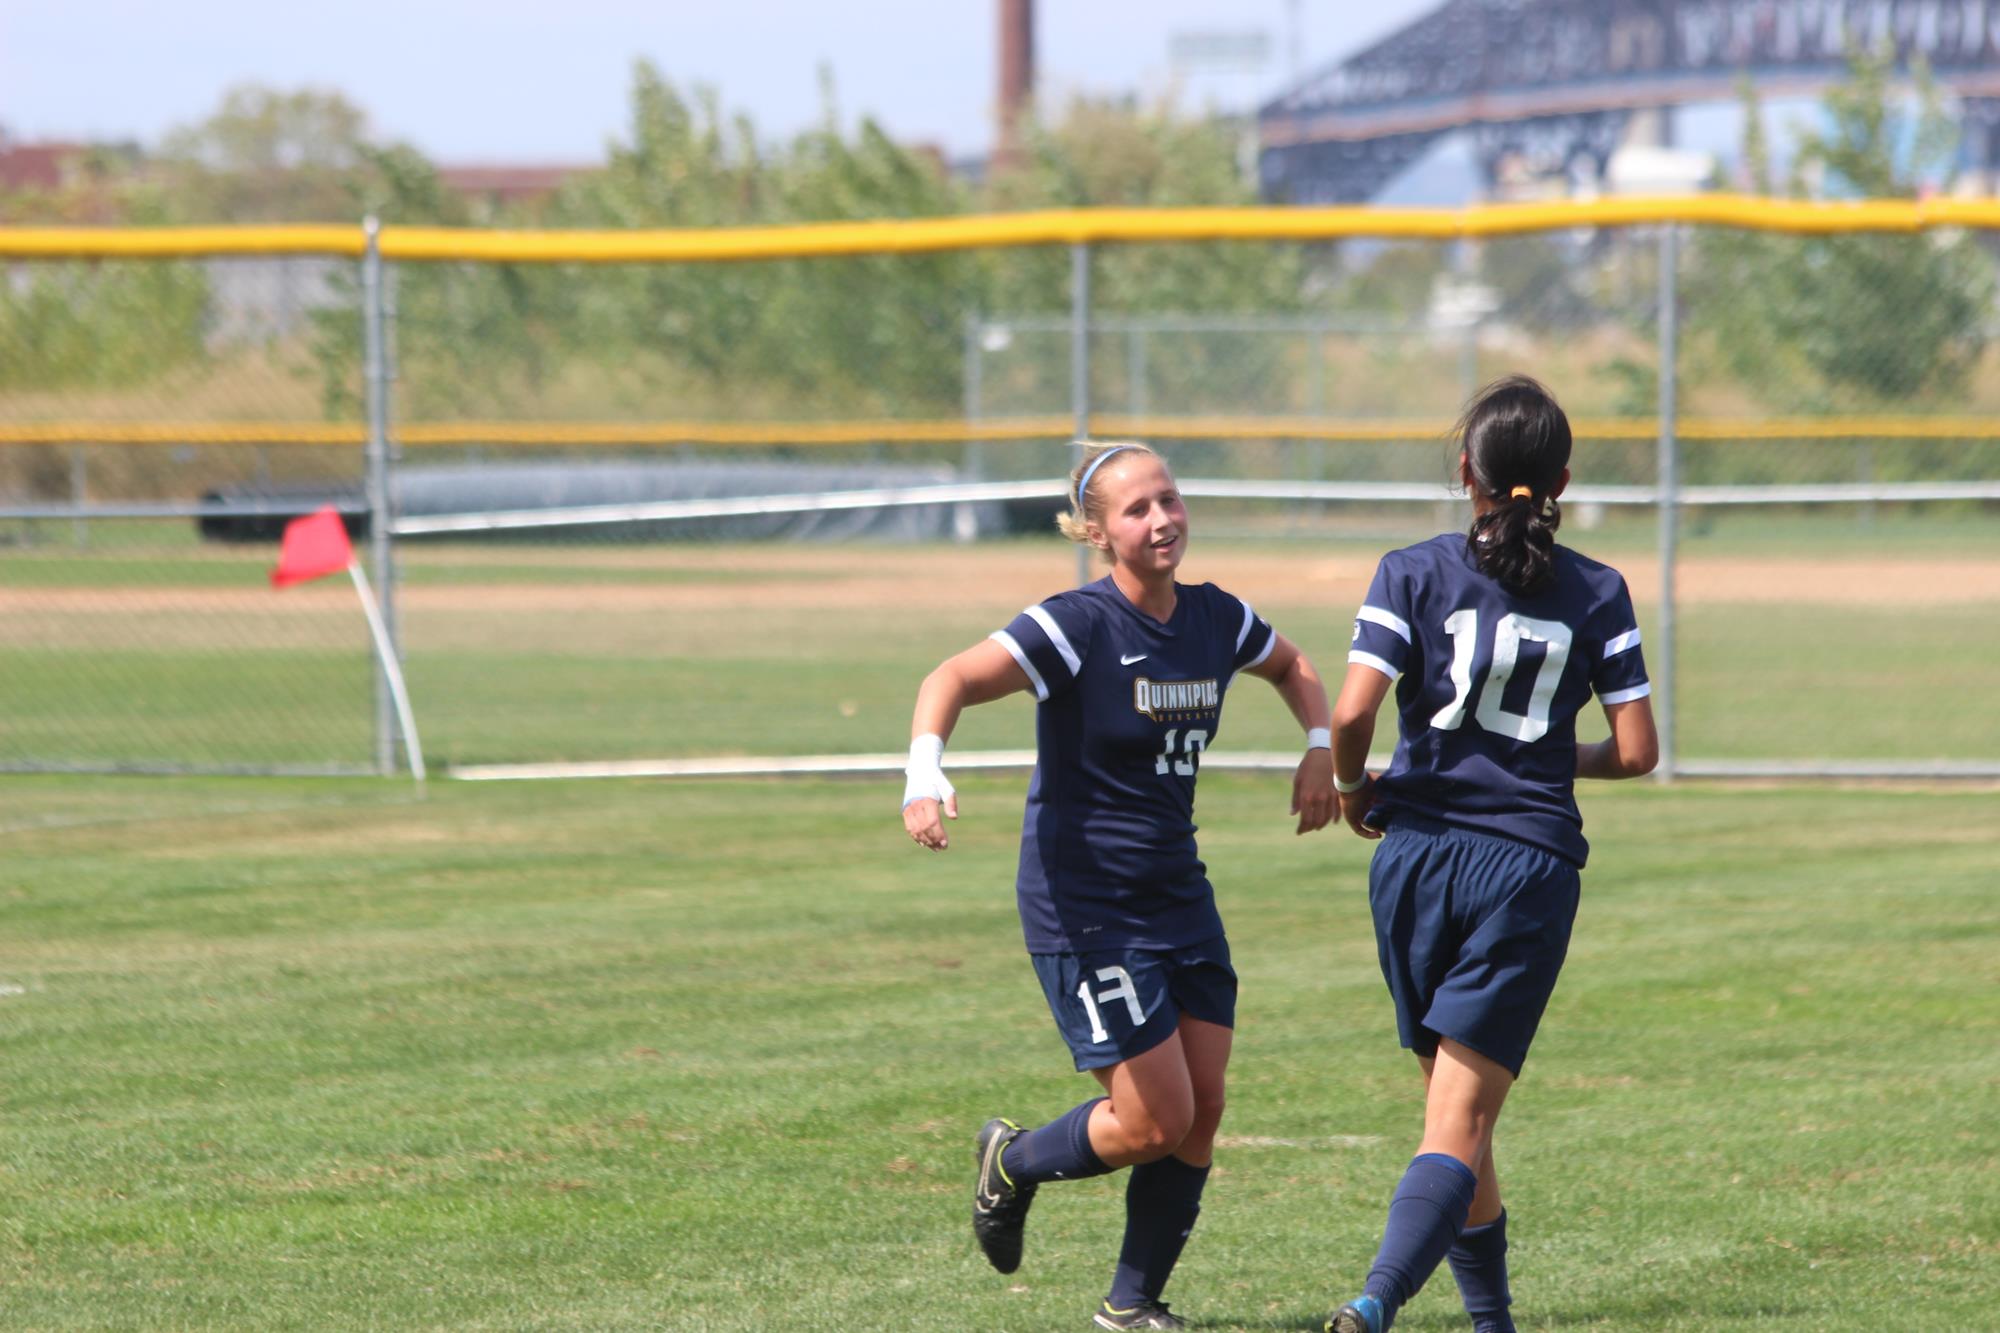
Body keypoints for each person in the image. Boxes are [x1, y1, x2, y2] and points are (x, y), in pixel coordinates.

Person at [901, 441, 1338, 1331]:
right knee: (1151, 1121)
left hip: (1179, 892)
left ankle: (1131, 1305)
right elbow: (947, 676)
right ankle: (1011, 1162)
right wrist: (923, 772)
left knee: (1202, 1109)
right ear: (1096, 532)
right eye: (1137, 510)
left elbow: (1293, 666)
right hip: (1087, 906)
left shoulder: (1217, 618)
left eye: (1169, 500)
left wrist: (1321, 745)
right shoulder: (1076, 625)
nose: (1162, 519)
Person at [1319, 377, 1660, 1333]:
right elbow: (1636, 751)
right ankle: (1376, 1300)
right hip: (1524, 868)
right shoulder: (1597, 588)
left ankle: (1491, 1322)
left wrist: (1353, 789)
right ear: (1562, 477)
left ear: (1465, 470)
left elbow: (1351, 713)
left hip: (1415, 856)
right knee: (1460, 1123)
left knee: (1455, 1117)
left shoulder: (1411, 569)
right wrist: (1549, 756)